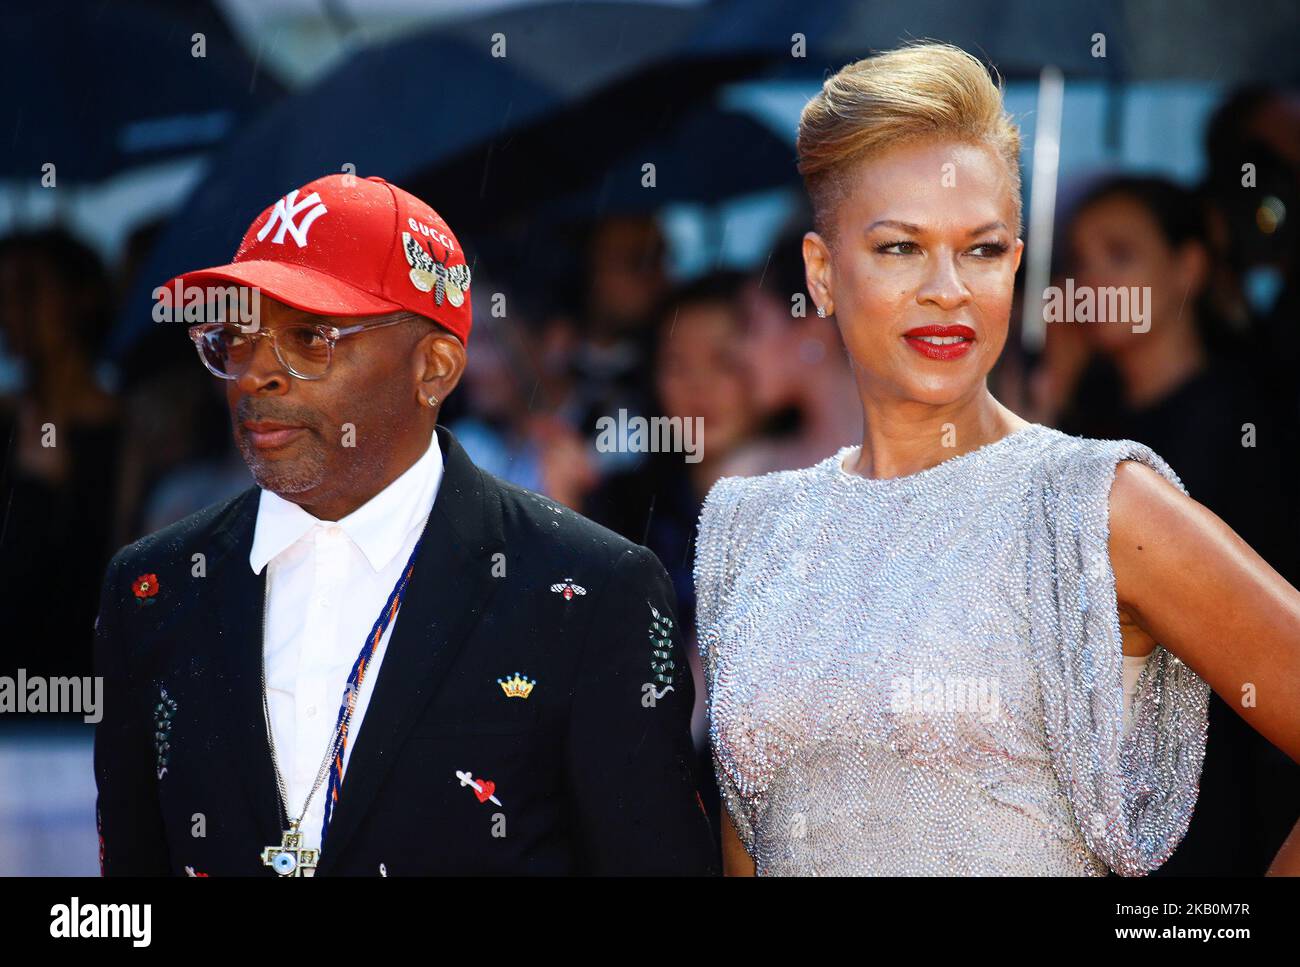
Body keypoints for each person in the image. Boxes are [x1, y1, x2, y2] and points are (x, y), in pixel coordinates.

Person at [694, 43, 1300, 876]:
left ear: (1016, 263)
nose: (947, 286)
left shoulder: (1096, 502)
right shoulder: (746, 527)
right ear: (823, 273)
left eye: (980, 249)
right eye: (899, 247)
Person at [93, 174, 716, 876]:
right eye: (235, 335)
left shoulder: (593, 590)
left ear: (435, 368)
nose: (255, 372)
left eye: (309, 337)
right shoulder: (151, 587)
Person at [1059, 175, 1300, 874]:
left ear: (1187, 267)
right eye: (1081, 258)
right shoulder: (1082, 427)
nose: (1094, 277)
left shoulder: (1239, 424)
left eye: (1121, 254)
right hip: (1102, 808)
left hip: (1220, 801)